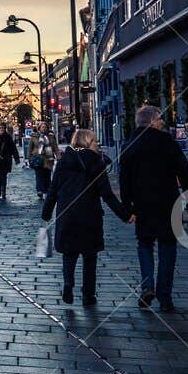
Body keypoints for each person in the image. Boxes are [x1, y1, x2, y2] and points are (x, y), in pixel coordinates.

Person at [119, 104, 188, 313]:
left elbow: (123, 180)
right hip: (168, 203)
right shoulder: (167, 142)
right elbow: (185, 173)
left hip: (142, 204)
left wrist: (127, 207)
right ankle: (165, 296)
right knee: (167, 247)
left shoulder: (129, 145)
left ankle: (147, 286)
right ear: (152, 121)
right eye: (160, 119)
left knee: (144, 245)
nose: (162, 122)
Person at [43, 128, 130, 306]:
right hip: (89, 214)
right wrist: (124, 215)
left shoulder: (63, 162)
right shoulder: (96, 163)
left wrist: (46, 213)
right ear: (86, 143)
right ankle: (88, 295)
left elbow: (53, 191)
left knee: (69, 253)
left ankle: (68, 283)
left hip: (67, 213)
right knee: (90, 256)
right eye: (94, 141)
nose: (97, 144)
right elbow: (107, 194)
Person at [0, 123, 21, 200]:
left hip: (5, 159)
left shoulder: (8, 137)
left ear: (5, 129)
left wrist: (16, 158)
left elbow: (13, 148)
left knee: (4, 175)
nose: (1, 129)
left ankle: (3, 190)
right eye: (0, 128)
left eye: (3, 128)